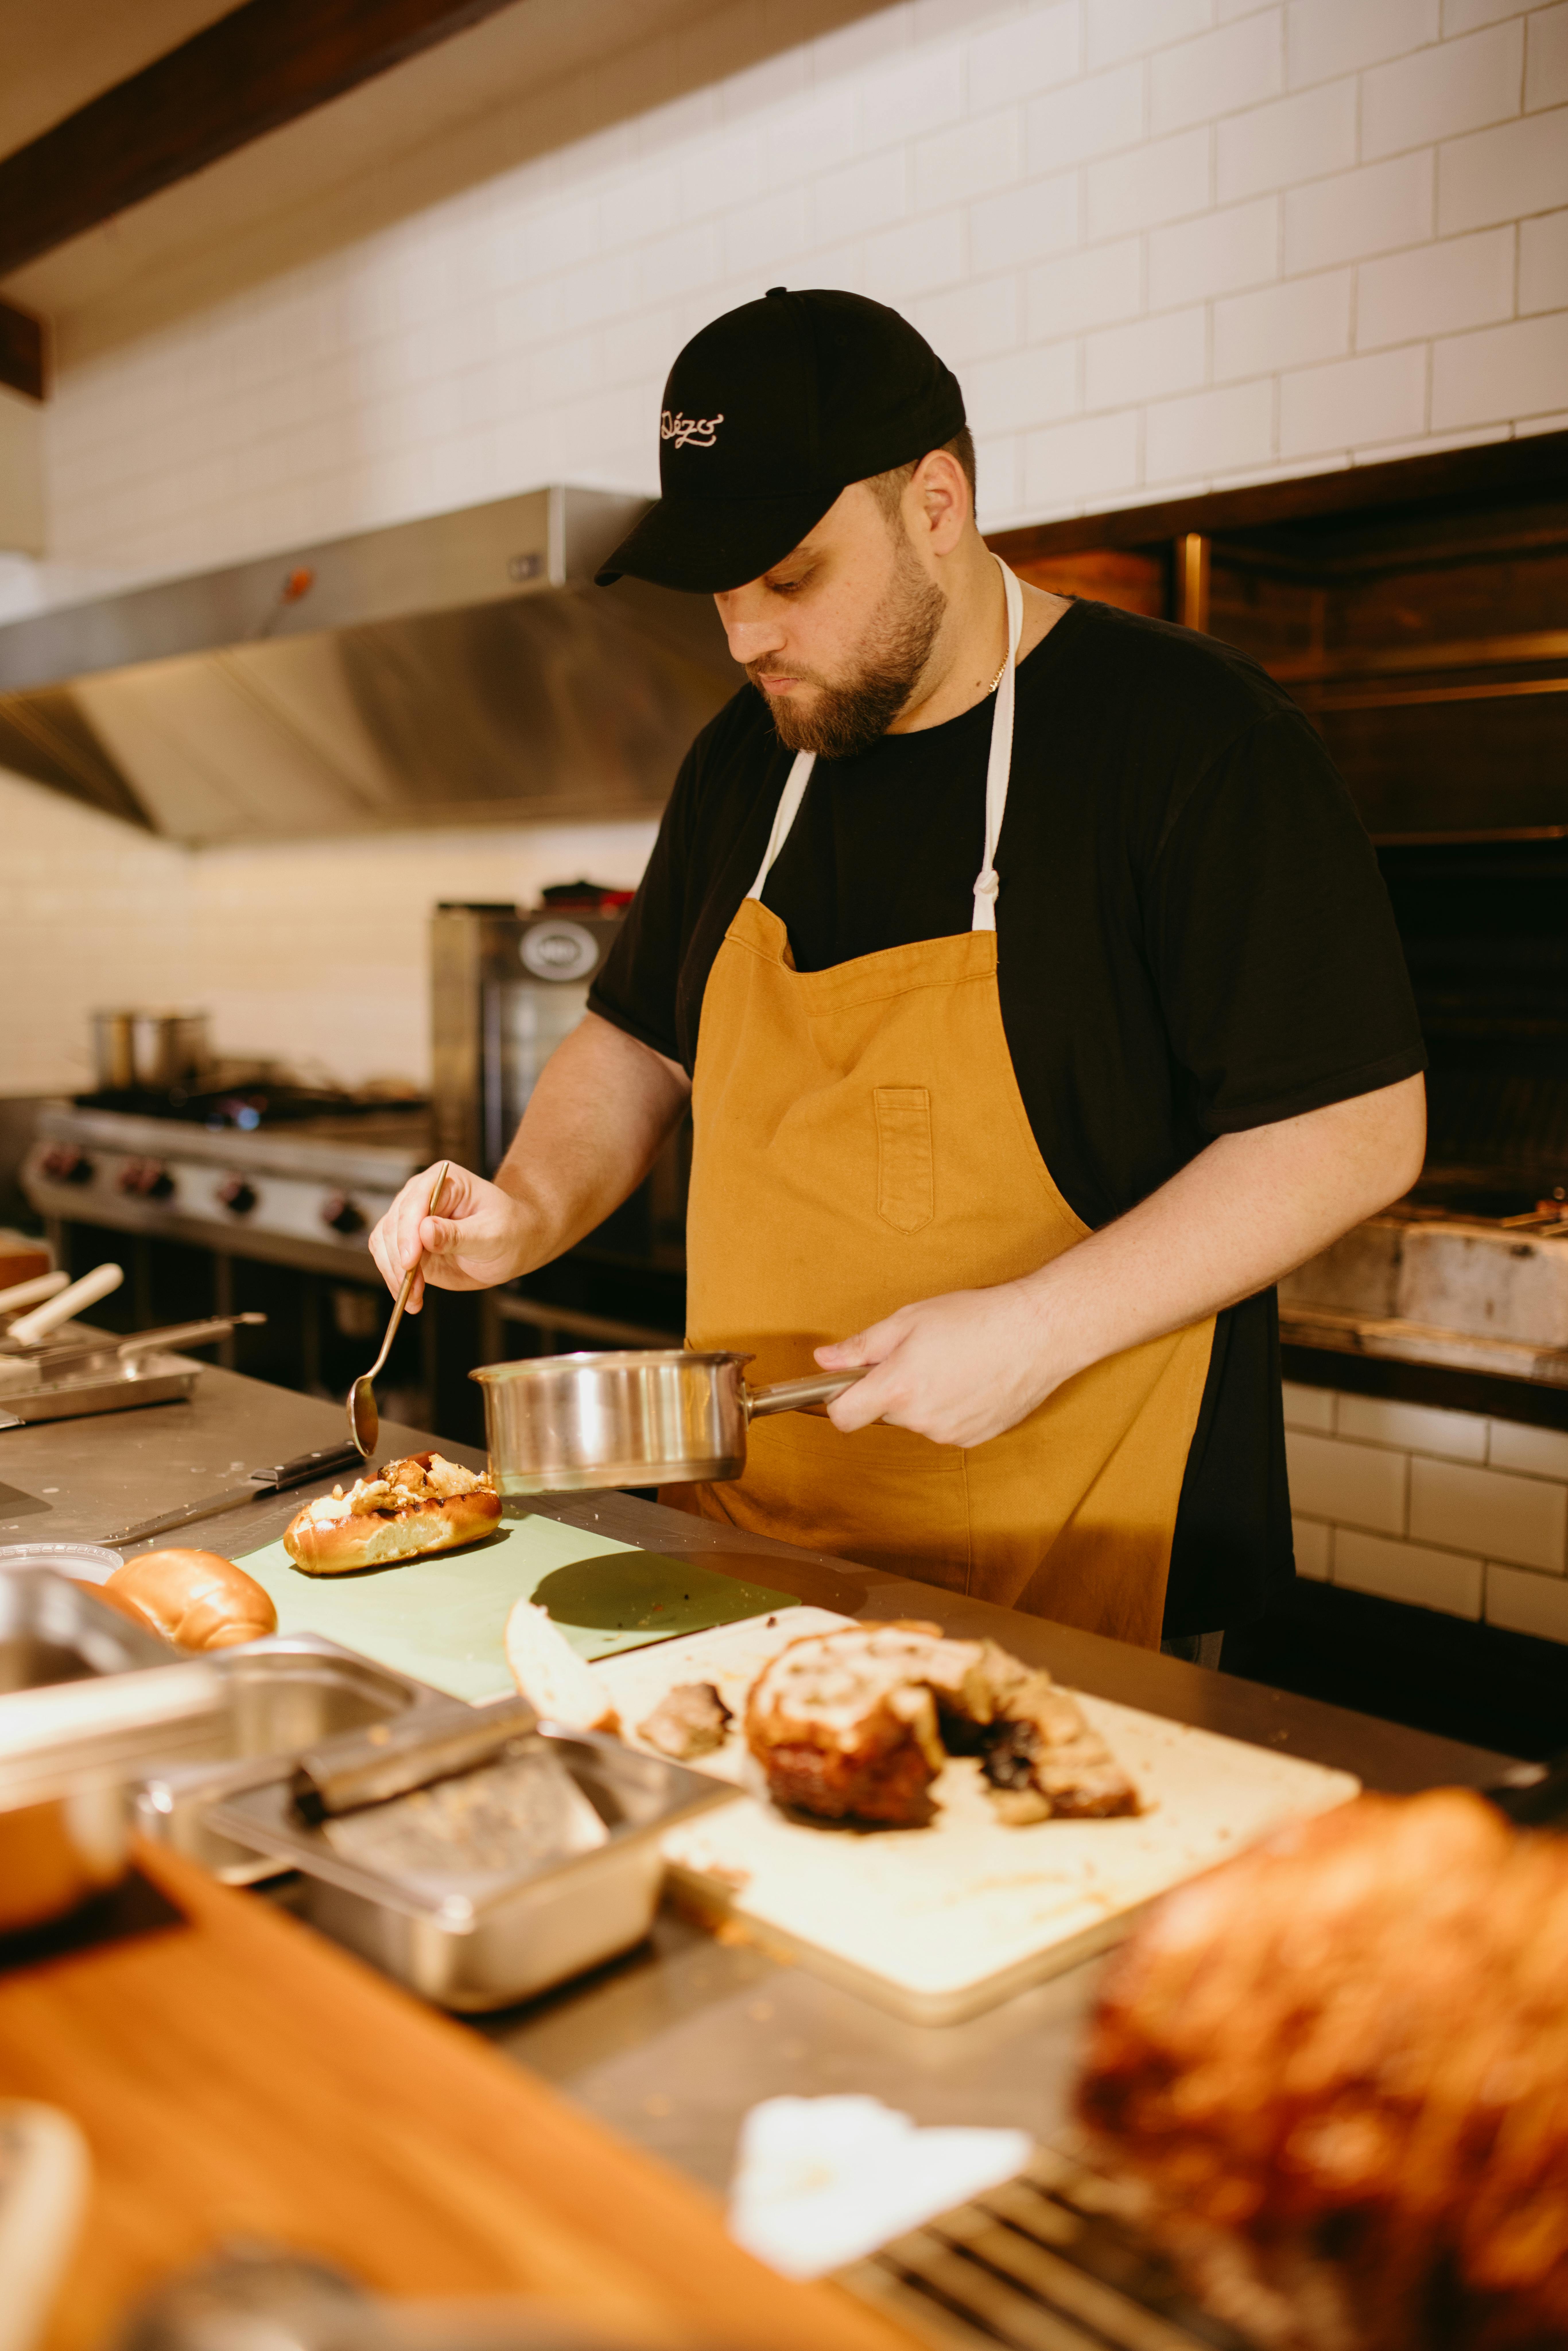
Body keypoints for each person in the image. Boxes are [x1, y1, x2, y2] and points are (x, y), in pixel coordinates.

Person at [370, 288, 1427, 1658]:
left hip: (1084, 1555)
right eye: (724, 591)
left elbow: (1350, 1126)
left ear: (936, 500)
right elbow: (638, 1042)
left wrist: (1042, 1327)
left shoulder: (1192, 738)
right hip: (749, 1540)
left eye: (792, 578)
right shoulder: (744, 759)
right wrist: (525, 1208)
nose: (746, 637)